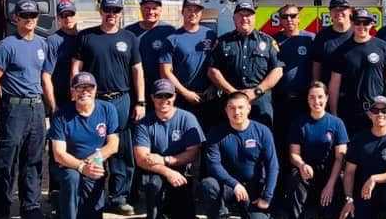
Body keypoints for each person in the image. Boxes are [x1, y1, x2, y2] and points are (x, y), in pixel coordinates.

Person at [72, 0, 147, 216]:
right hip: (94, 100)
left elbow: (137, 71)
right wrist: (75, 94)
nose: (111, 13)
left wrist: (140, 101)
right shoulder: (87, 37)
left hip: (121, 100)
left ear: (121, 12)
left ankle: (119, 197)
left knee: (121, 150)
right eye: (107, 9)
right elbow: (76, 68)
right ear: (100, 11)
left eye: (115, 10)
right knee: (92, 146)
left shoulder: (130, 38)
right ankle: (92, 196)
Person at [0, 0, 49, 219]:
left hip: (36, 108)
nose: (29, 19)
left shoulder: (42, 44)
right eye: (24, 15)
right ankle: (2, 209)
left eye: (33, 15)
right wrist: (4, 106)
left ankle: (30, 207)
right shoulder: (7, 45)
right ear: (16, 18)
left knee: (33, 160)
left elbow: (44, 77)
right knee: (6, 162)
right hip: (14, 109)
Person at [48, 72, 120, 219]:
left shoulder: (108, 109)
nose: (85, 92)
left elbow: (113, 145)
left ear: (95, 90)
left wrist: (93, 161)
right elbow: (58, 154)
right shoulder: (60, 116)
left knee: (93, 211)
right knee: (72, 178)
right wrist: (81, 167)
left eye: (89, 88)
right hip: (68, 164)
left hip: (95, 162)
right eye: (80, 88)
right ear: (72, 91)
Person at [199, 91, 280, 219]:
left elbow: (272, 165)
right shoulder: (216, 132)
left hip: (253, 188)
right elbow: (213, 165)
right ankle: (220, 214)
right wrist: (235, 184)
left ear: (249, 108)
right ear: (226, 110)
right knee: (208, 184)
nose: (236, 112)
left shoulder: (263, 131)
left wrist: (267, 197)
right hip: (228, 186)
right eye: (232, 108)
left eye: (240, 107)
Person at [133, 78, 205, 219]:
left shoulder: (187, 118)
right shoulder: (144, 123)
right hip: (155, 170)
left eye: (168, 95)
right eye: (159, 95)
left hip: (181, 170)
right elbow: (141, 159)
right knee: (152, 184)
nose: (164, 100)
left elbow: (193, 153)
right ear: (152, 97)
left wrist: (166, 160)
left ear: (175, 96)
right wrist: (167, 171)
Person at [208, 1, 285, 127]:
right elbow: (212, 71)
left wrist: (257, 91)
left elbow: (278, 70)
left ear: (254, 18)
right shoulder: (223, 42)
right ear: (234, 18)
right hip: (231, 99)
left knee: (263, 136)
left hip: (259, 99)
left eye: (248, 15)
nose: (245, 18)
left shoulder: (268, 41)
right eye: (241, 15)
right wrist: (233, 93)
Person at [328, 8, 386, 136]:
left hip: (379, 112)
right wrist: (334, 115)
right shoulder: (341, 51)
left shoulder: (383, 47)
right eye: (358, 22)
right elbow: (334, 85)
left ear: (372, 24)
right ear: (352, 23)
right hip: (351, 113)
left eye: (366, 22)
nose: (361, 26)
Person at [283, 81, 349, 219]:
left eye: (320, 97)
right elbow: (294, 154)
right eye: (312, 97)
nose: (316, 101)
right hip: (307, 172)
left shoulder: (337, 123)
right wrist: (301, 165)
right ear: (307, 99)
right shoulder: (299, 123)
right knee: (295, 178)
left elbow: (340, 158)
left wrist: (330, 185)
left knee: (329, 211)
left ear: (326, 98)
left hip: (330, 174)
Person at [339, 96, 386, 219]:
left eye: (384, 110)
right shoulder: (359, 140)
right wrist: (349, 199)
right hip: (366, 193)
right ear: (369, 114)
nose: (380, 114)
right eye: (375, 111)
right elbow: (349, 172)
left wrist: (375, 178)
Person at [42, 0, 81, 196]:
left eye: (71, 14)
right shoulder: (53, 41)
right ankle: (56, 189)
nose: (68, 19)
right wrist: (53, 106)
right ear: (58, 19)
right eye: (64, 16)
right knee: (58, 144)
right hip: (60, 100)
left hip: (81, 101)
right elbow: (46, 76)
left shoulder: (83, 38)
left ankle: (79, 185)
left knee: (80, 142)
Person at [160, 0, 218, 124]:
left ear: (201, 13)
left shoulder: (211, 35)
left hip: (208, 97)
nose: (193, 13)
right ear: (182, 12)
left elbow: (217, 65)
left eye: (196, 10)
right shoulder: (172, 39)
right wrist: (185, 93)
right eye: (189, 9)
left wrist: (213, 87)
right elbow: (165, 72)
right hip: (182, 99)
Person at [273, 3, 317, 162]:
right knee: (281, 140)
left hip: (304, 100)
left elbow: (317, 67)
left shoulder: (310, 39)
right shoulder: (274, 41)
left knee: (304, 139)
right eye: (285, 16)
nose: (289, 19)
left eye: (293, 16)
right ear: (280, 20)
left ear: (299, 19)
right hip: (280, 101)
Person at [126, 0, 175, 97]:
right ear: (141, 9)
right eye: (147, 8)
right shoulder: (129, 32)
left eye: (154, 8)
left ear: (160, 10)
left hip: (162, 87)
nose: (150, 12)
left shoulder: (169, 31)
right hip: (134, 87)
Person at [312, 0, 354, 84]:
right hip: (329, 88)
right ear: (330, 13)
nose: (338, 13)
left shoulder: (358, 33)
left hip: (354, 90)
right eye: (335, 9)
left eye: (342, 9)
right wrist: (315, 83)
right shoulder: (322, 36)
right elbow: (317, 63)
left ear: (350, 11)